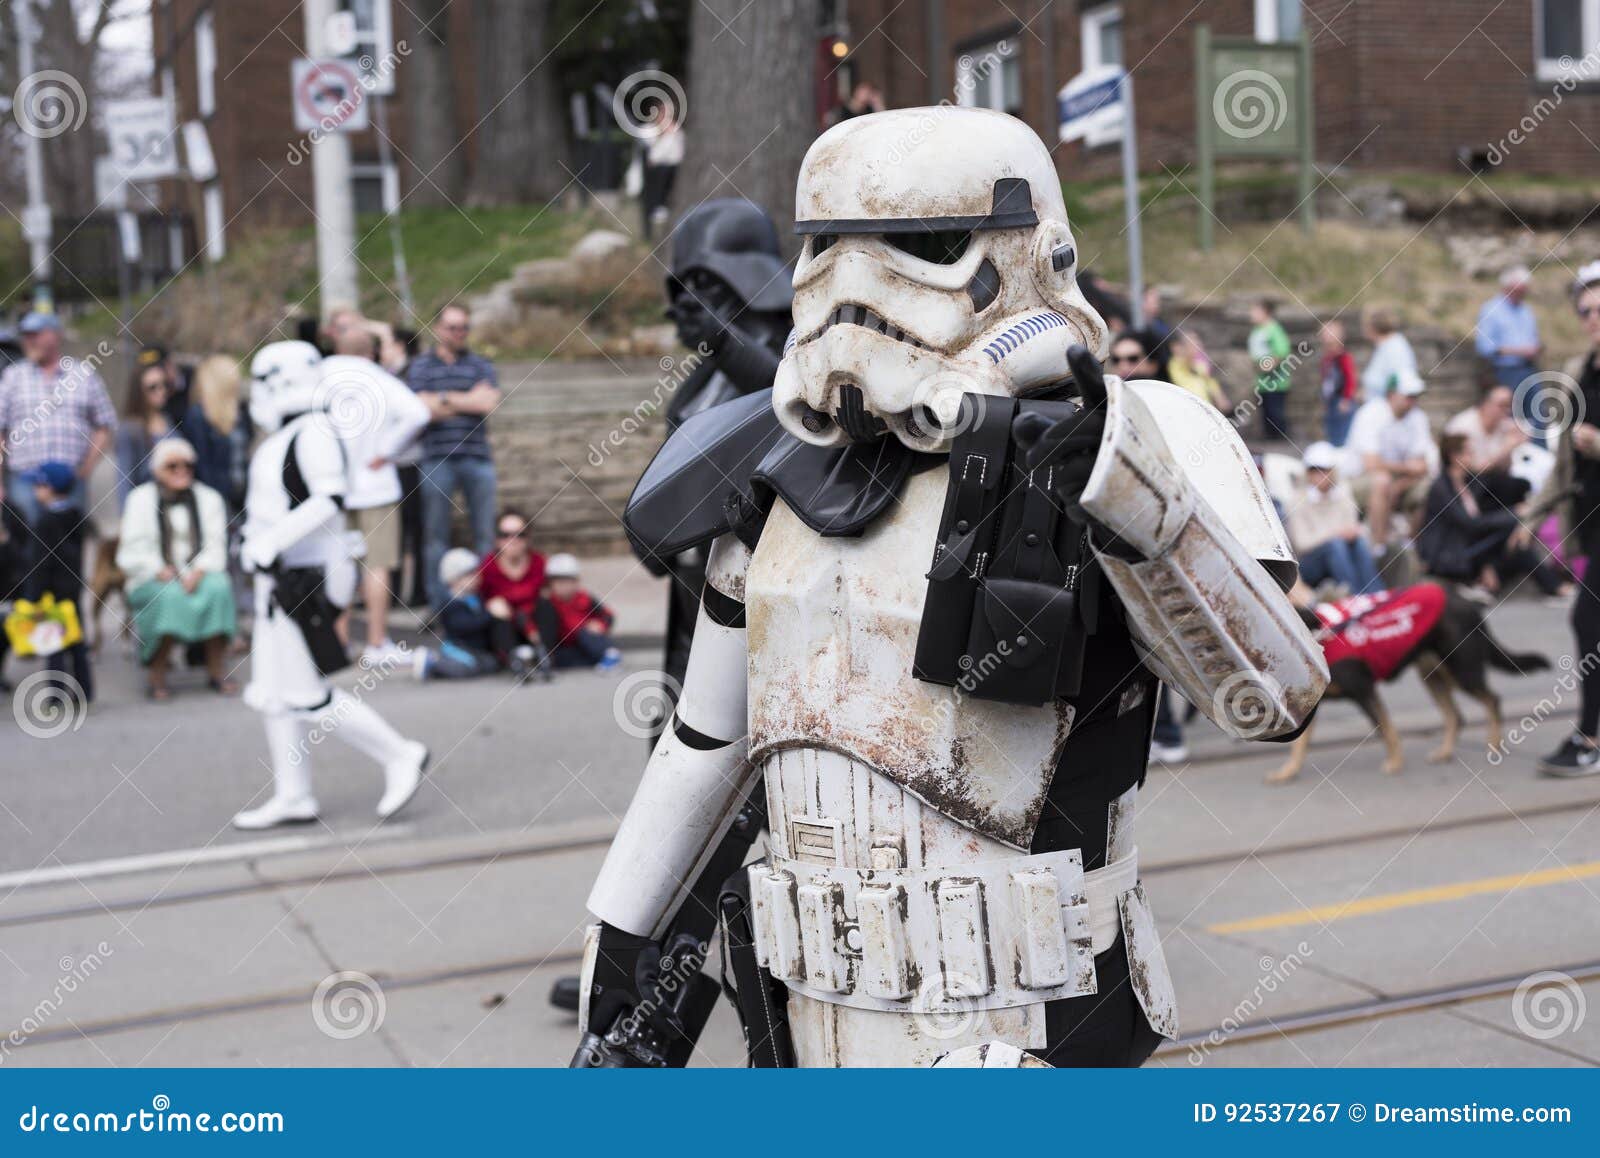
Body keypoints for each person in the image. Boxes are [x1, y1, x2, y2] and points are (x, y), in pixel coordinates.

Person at [576, 107, 1326, 1069]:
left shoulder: (1146, 436)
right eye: (826, 247)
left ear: (1030, 254)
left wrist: (1121, 481)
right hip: (809, 1018)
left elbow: (1269, 697)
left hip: (1028, 1024)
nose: (855, 284)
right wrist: (623, 947)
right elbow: (707, 751)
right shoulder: (774, 460)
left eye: (919, 245)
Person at [233, 341, 429, 830]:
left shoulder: (314, 433)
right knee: (277, 694)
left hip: (306, 576)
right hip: (280, 577)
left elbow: (330, 498)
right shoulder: (286, 437)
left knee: (305, 691)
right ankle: (293, 794)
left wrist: (269, 542)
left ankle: (399, 753)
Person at [1522, 261, 1600, 776]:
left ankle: (1588, 737)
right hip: (1592, 514)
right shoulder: (1580, 370)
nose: (1592, 317)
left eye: (1599, 309)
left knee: (1585, 620)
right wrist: (1531, 513)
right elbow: (1564, 460)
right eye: (1585, 310)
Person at [323, 318, 431, 664]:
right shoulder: (380, 378)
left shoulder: (319, 376)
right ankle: (376, 642)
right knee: (377, 565)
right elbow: (417, 414)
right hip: (376, 486)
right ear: (371, 352)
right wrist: (385, 451)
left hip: (331, 485)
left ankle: (338, 643)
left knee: (336, 563)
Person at [116, 438, 237, 699]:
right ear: (158, 470)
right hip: (153, 574)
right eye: (172, 466)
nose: (181, 470)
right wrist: (158, 569)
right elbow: (130, 550)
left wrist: (199, 571)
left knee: (219, 588)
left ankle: (216, 668)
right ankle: (157, 671)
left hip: (198, 572)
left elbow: (217, 545)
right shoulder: (140, 499)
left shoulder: (208, 497)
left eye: (187, 465)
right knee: (168, 597)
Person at [406, 305, 502, 609]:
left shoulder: (481, 365)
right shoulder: (421, 366)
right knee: (436, 537)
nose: (458, 333)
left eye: (463, 328)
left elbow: (487, 403)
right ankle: (440, 606)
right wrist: (464, 399)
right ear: (437, 328)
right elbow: (419, 408)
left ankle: (487, 601)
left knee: (485, 534)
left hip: (477, 458)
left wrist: (443, 399)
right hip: (437, 459)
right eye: (452, 327)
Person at [0, 312, 117, 528]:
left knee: (68, 550)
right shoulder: (13, 376)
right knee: (28, 552)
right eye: (26, 335)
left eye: (35, 334)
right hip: (24, 482)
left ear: (55, 335)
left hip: (70, 481)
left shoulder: (83, 373)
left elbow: (105, 425)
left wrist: (86, 468)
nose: (29, 341)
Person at [1417, 432, 1564, 599]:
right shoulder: (1441, 487)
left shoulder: (1467, 483)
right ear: (1454, 456)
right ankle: (1554, 586)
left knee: (1516, 537)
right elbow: (1469, 524)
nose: (1472, 456)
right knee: (1512, 529)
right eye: (1468, 452)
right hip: (1449, 553)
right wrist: (1514, 514)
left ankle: (1552, 585)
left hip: (1469, 545)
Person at [18, 460, 93, 704]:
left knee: (54, 647)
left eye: (38, 485)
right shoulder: (76, 516)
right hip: (71, 591)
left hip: (50, 595)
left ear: (48, 488)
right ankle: (85, 694)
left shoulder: (43, 522)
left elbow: (40, 564)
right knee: (78, 643)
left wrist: (33, 596)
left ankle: (57, 696)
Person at [414, 548, 547, 681]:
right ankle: (432, 662)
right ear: (454, 580)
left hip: (478, 649)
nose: (476, 577)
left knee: (491, 664)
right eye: (469, 575)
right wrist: (490, 614)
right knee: (466, 669)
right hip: (459, 648)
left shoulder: (477, 598)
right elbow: (465, 626)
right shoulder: (451, 604)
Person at [1343, 371, 1438, 554]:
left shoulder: (1417, 417)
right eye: (1409, 396)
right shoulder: (1370, 414)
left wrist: (1400, 484)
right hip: (1358, 480)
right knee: (1382, 481)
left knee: (1431, 486)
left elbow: (1422, 466)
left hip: (1397, 481)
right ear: (1391, 394)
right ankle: (1379, 546)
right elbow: (1370, 464)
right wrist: (1406, 469)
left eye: (1415, 397)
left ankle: (1411, 544)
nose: (1413, 401)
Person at [1287, 441, 1384, 595]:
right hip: (1310, 565)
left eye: (1324, 470)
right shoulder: (1297, 500)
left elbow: (1352, 528)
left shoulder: (1343, 494)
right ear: (1308, 473)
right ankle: (1354, 596)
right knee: (1336, 545)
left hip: (1340, 555)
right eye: (1315, 470)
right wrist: (1335, 534)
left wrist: (1349, 533)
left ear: (1332, 471)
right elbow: (1302, 543)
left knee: (1357, 542)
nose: (1320, 475)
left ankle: (1376, 593)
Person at [1475, 265, 1544, 436]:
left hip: (1529, 369)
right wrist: (1518, 351)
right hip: (1504, 372)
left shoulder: (1526, 310)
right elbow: (1484, 347)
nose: (1522, 294)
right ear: (1507, 287)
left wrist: (1535, 349)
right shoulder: (1491, 309)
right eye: (1519, 290)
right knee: (1509, 417)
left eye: (1524, 290)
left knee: (1539, 413)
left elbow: (1533, 338)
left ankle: (1540, 453)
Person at [1443, 383, 1529, 506]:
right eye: (1502, 405)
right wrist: (1506, 448)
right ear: (1486, 404)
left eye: (1509, 406)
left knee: (1521, 485)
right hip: (1463, 483)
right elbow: (1474, 469)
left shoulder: (1504, 425)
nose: (1507, 411)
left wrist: (1516, 442)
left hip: (1489, 482)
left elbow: (1506, 468)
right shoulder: (1462, 426)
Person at [532, 553, 620, 670]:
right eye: (559, 582)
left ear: (576, 582)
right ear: (550, 584)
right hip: (566, 644)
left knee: (587, 635)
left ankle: (609, 655)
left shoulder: (584, 598)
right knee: (560, 659)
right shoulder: (548, 602)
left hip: (585, 637)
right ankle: (592, 661)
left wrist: (600, 625)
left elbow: (608, 615)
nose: (563, 587)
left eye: (567, 582)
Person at [115, 363, 178, 504]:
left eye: (164, 385)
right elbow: (125, 479)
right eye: (153, 387)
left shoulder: (168, 419)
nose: (161, 391)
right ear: (139, 391)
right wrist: (127, 518)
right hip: (147, 507)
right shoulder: (130, 429)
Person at [479, 508, 546, 625]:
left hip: (535, 625)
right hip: (502, 629)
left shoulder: (540, 563)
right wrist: (488, 606)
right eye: (504, 535)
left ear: (528, 538)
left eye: (520, 535)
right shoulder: (487, 567)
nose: (512, 540)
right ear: (496, 539)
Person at [1247, 298, 1293, 440]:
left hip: (1275, 382)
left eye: (1255, 310)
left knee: (1275, 414)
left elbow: (1282, 351)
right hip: (1262, 383)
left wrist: (1267, 366)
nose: (1251, 314)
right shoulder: (1257, 330)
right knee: (1266, 416)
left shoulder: (1273, 329)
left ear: (1265, 312)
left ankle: (1281, 442)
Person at [641, 104, 684, 240]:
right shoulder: (649, 130)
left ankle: (661, 205)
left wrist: (669, 134)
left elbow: (677, 155)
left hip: (669, 168)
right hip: (651, 171)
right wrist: (660, 133)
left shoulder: (676, 132)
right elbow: (648, 148)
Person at [1360, 306, 1418, 400]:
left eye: (1366, 325)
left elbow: (1401, 385)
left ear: (1373, 327)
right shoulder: (1384, 346)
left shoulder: (1395, 347)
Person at [1166, 329, 1231, 414]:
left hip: (1205, 408)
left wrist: (1220, 397)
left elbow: (1210, 381)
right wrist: (1191, 350)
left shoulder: (1200, 364)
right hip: (1187, 408)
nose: (1196, 345)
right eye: (1191, 342)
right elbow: (1186, 361)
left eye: (1196, 342)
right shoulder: (1175, 363)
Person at [1318, 320, 1359, 446]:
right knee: (1332, 430)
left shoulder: (1343, 357)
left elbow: (1350, 379)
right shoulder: (1327, 358)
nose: (1326, 336)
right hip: (1331, 400)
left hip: (1342, 400)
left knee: (1342, 433)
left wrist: (1346, 398)